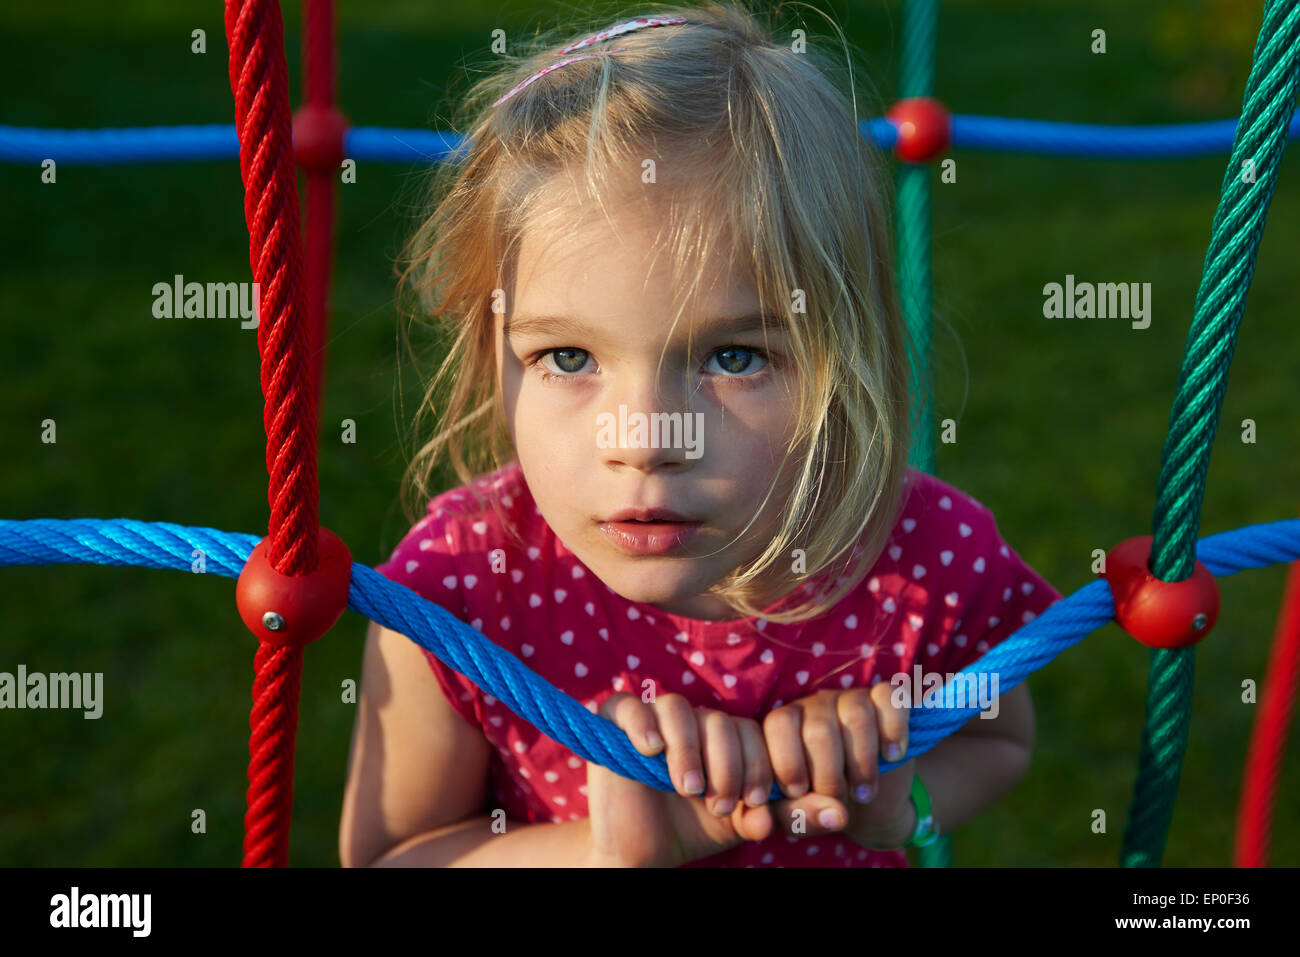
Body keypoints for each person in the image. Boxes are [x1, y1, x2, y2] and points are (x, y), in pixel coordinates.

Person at [339, 2, 1062, 868]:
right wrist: (619, 849)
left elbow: (998, 741)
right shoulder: (460, 585)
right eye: (568, 355)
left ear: (846, 352)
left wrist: (891, 799)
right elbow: (393, 855)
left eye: (732, 355)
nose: (644, 439)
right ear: (492, 349)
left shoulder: (923, 554)